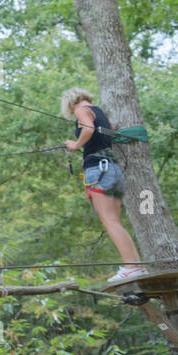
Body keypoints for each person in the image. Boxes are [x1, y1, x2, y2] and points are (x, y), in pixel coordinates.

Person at [61, 87, 143, 283]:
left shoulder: (81, 110)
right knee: (114, 221)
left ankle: (132, 267)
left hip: (98, 169)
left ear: (71, 102)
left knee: (110, 221)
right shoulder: (99, 111)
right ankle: (136, 266)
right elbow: (102, 133)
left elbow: (88, 129)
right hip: (112, 168)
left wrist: (75, 145)